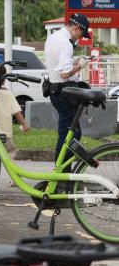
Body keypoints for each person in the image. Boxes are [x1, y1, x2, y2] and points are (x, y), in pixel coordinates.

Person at [44, 13, 91, 160]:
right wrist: (79, 66)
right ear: (76, 28)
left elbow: (58, 63)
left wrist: (74, 60)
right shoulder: (66, 43)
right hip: (64, 93)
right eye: (82, 34)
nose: (81, 38)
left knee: (70, 132)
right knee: (69, 134)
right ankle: (62, 175)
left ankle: (64, 173)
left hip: (54, 90)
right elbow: (65, 74)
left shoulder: (53, 37)